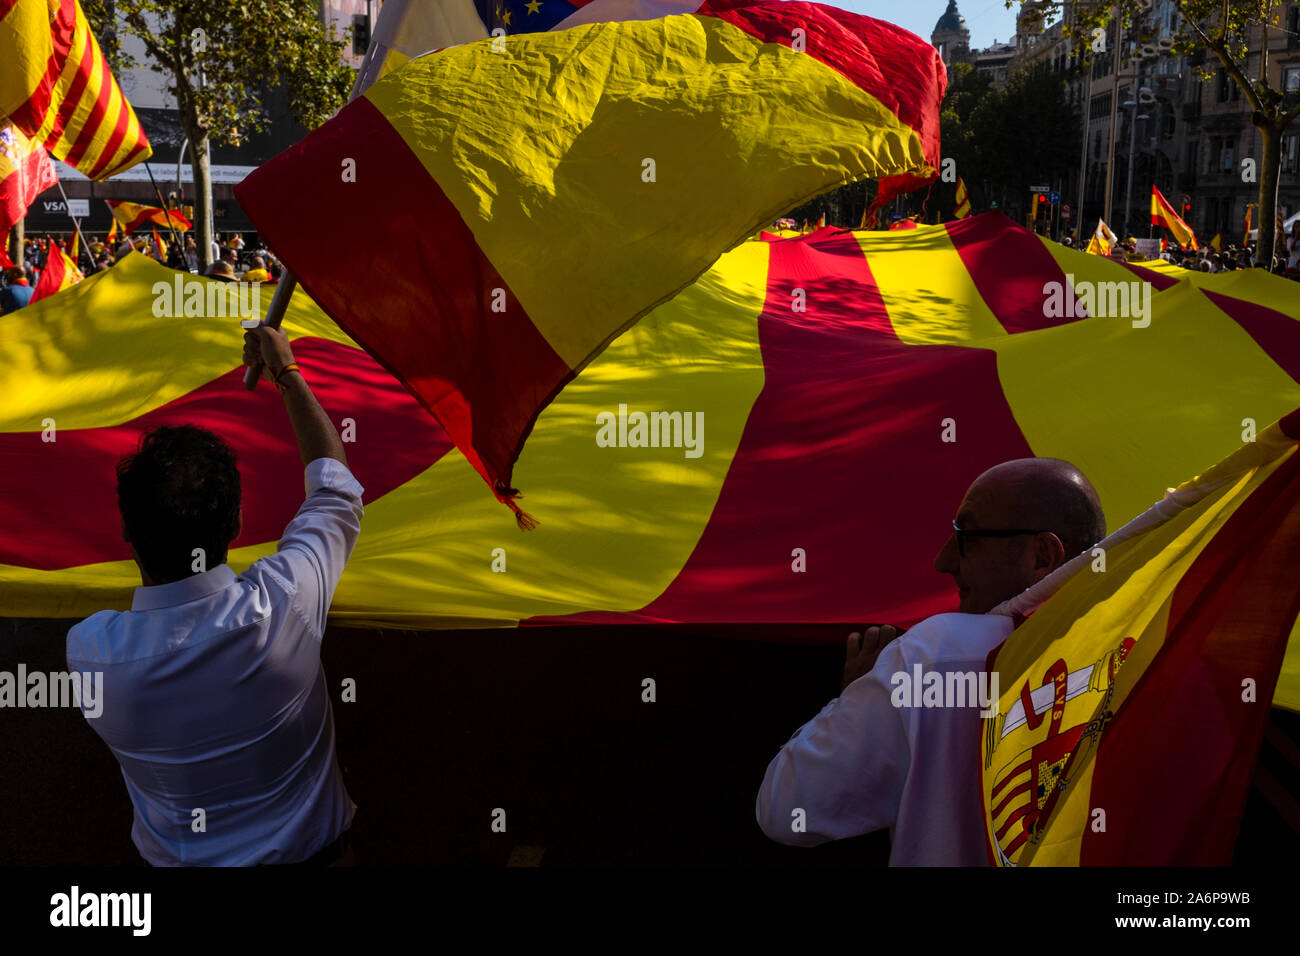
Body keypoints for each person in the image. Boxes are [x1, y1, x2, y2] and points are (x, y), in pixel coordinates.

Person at [66, 325, 364, 866]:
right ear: (238, 523)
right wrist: (288, 373)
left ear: (128, 534)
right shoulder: (283, 601)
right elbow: (335, 490)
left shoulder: (90, 652)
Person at [756, 458, 1106, 865]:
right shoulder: (1139, 646)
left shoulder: (935, 655)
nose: (944, 562)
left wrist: (853, 700)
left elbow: (786, 810)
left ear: (1042, 556)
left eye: (967, 538)